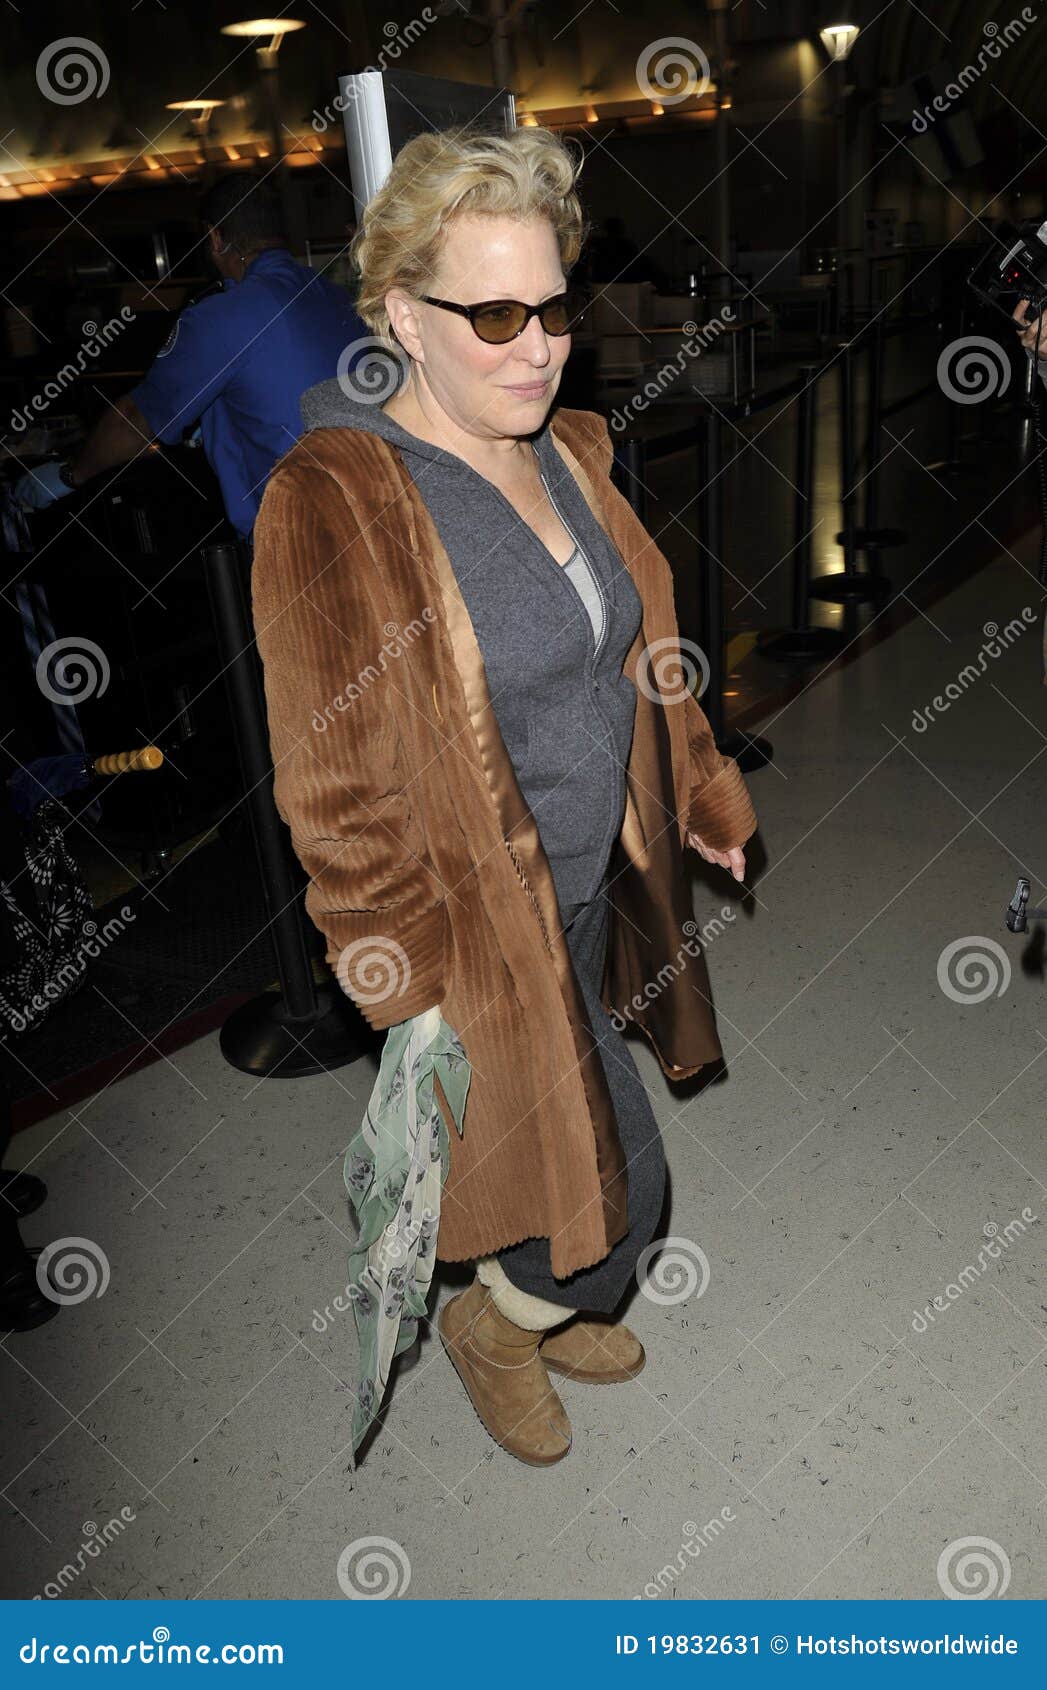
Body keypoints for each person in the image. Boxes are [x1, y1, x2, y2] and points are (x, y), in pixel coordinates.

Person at [251, 124, 758, 1467]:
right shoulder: (336, 501)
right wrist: (399, 976)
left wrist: (696, 778)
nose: (535, 346)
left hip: (593, 874)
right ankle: (504, 1317)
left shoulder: (565, 451)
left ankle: (556, 1279)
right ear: (396, 317)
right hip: (469, 925)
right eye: (490, 312)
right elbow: (332, 781)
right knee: (622, 1169)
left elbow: (637, 650)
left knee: (563, 1145)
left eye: (549, 306)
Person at [14, 174, 368, 541]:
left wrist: (70, 475)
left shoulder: (221, 315)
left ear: (214, 238)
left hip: (302, 538)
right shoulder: (336, 295)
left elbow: (134, 419)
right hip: (373, 511)